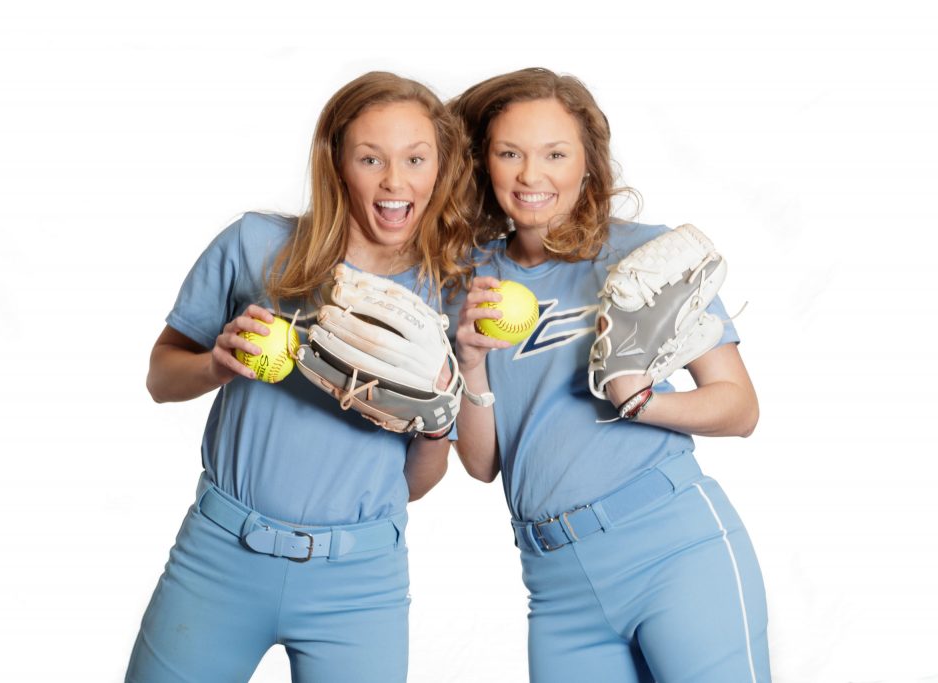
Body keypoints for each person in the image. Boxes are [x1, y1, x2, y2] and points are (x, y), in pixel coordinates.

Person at [125, 71, 474, 683]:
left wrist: (437, 411)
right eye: (371, 158)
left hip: (359, 580)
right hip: (220, 554)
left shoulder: (449, 292)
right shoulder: (257, 245)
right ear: (338, 164)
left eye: (416, 159)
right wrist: (214, 363)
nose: (395, 181)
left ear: (439, 168)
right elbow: (160, 377)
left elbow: (417, 485)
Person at [449, 67, 771, 682]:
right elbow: (482, 463)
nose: (531, 175)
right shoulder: (471, 283)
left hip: (675, 549)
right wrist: (469, 364)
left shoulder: (646, 257)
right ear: (484, 163)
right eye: (509, 153)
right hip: (556, 583)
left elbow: (739, 407)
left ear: (588, 163)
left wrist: (643, 402)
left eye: (555, 153)